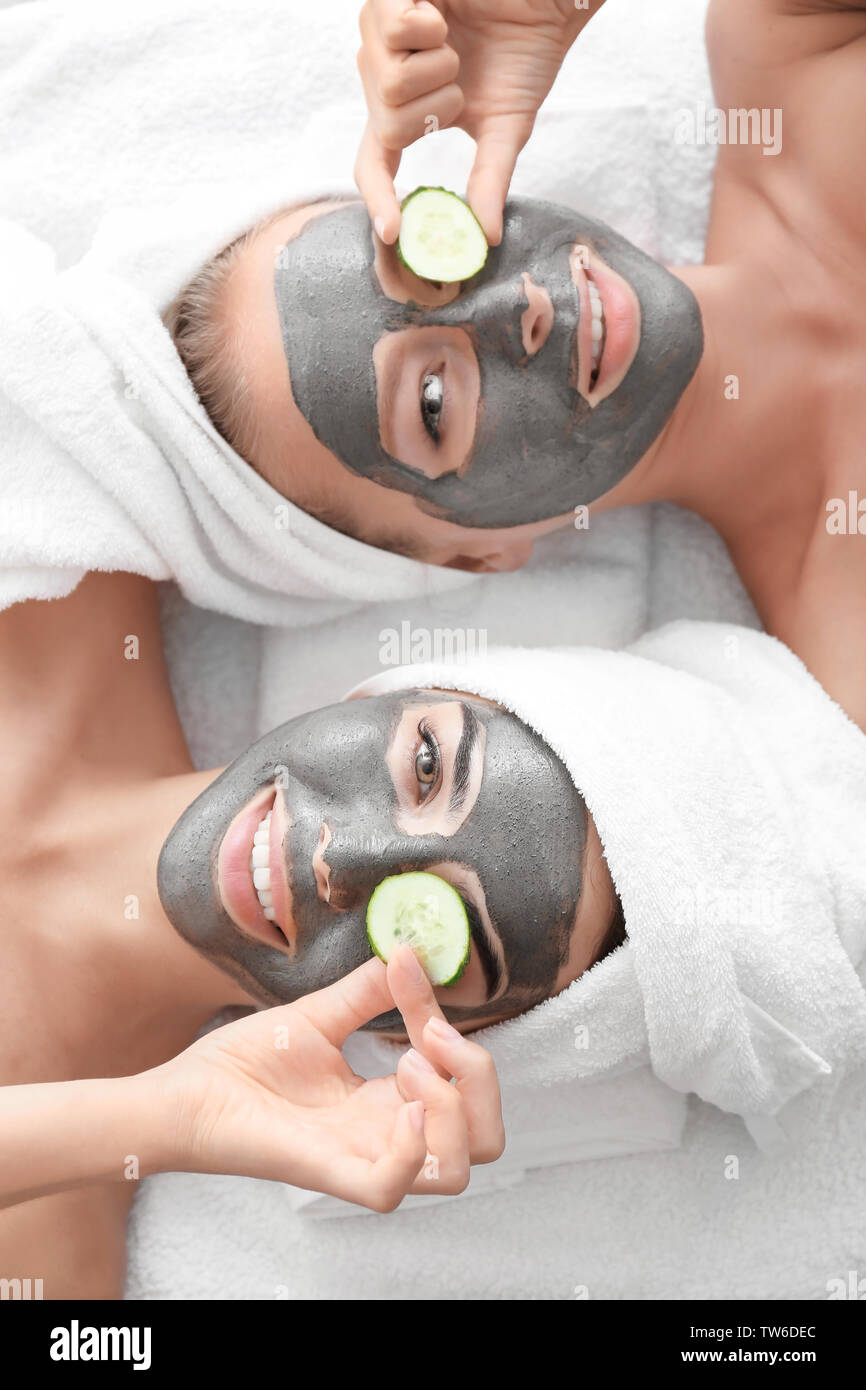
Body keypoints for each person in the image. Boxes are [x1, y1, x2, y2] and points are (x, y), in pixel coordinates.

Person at [168, 0, 866, 727]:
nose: (517, 309)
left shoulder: (796, 33)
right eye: (432, 401)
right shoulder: (852, 679)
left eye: (427, 262)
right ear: (472, 556)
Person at [0, 570, 621, 1297]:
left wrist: (175, 1119)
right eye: (426, 766)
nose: (342, 860)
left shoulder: (43, 1240)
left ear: (411, 1038)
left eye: (436, 932)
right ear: (393, 688)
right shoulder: (54, 569)